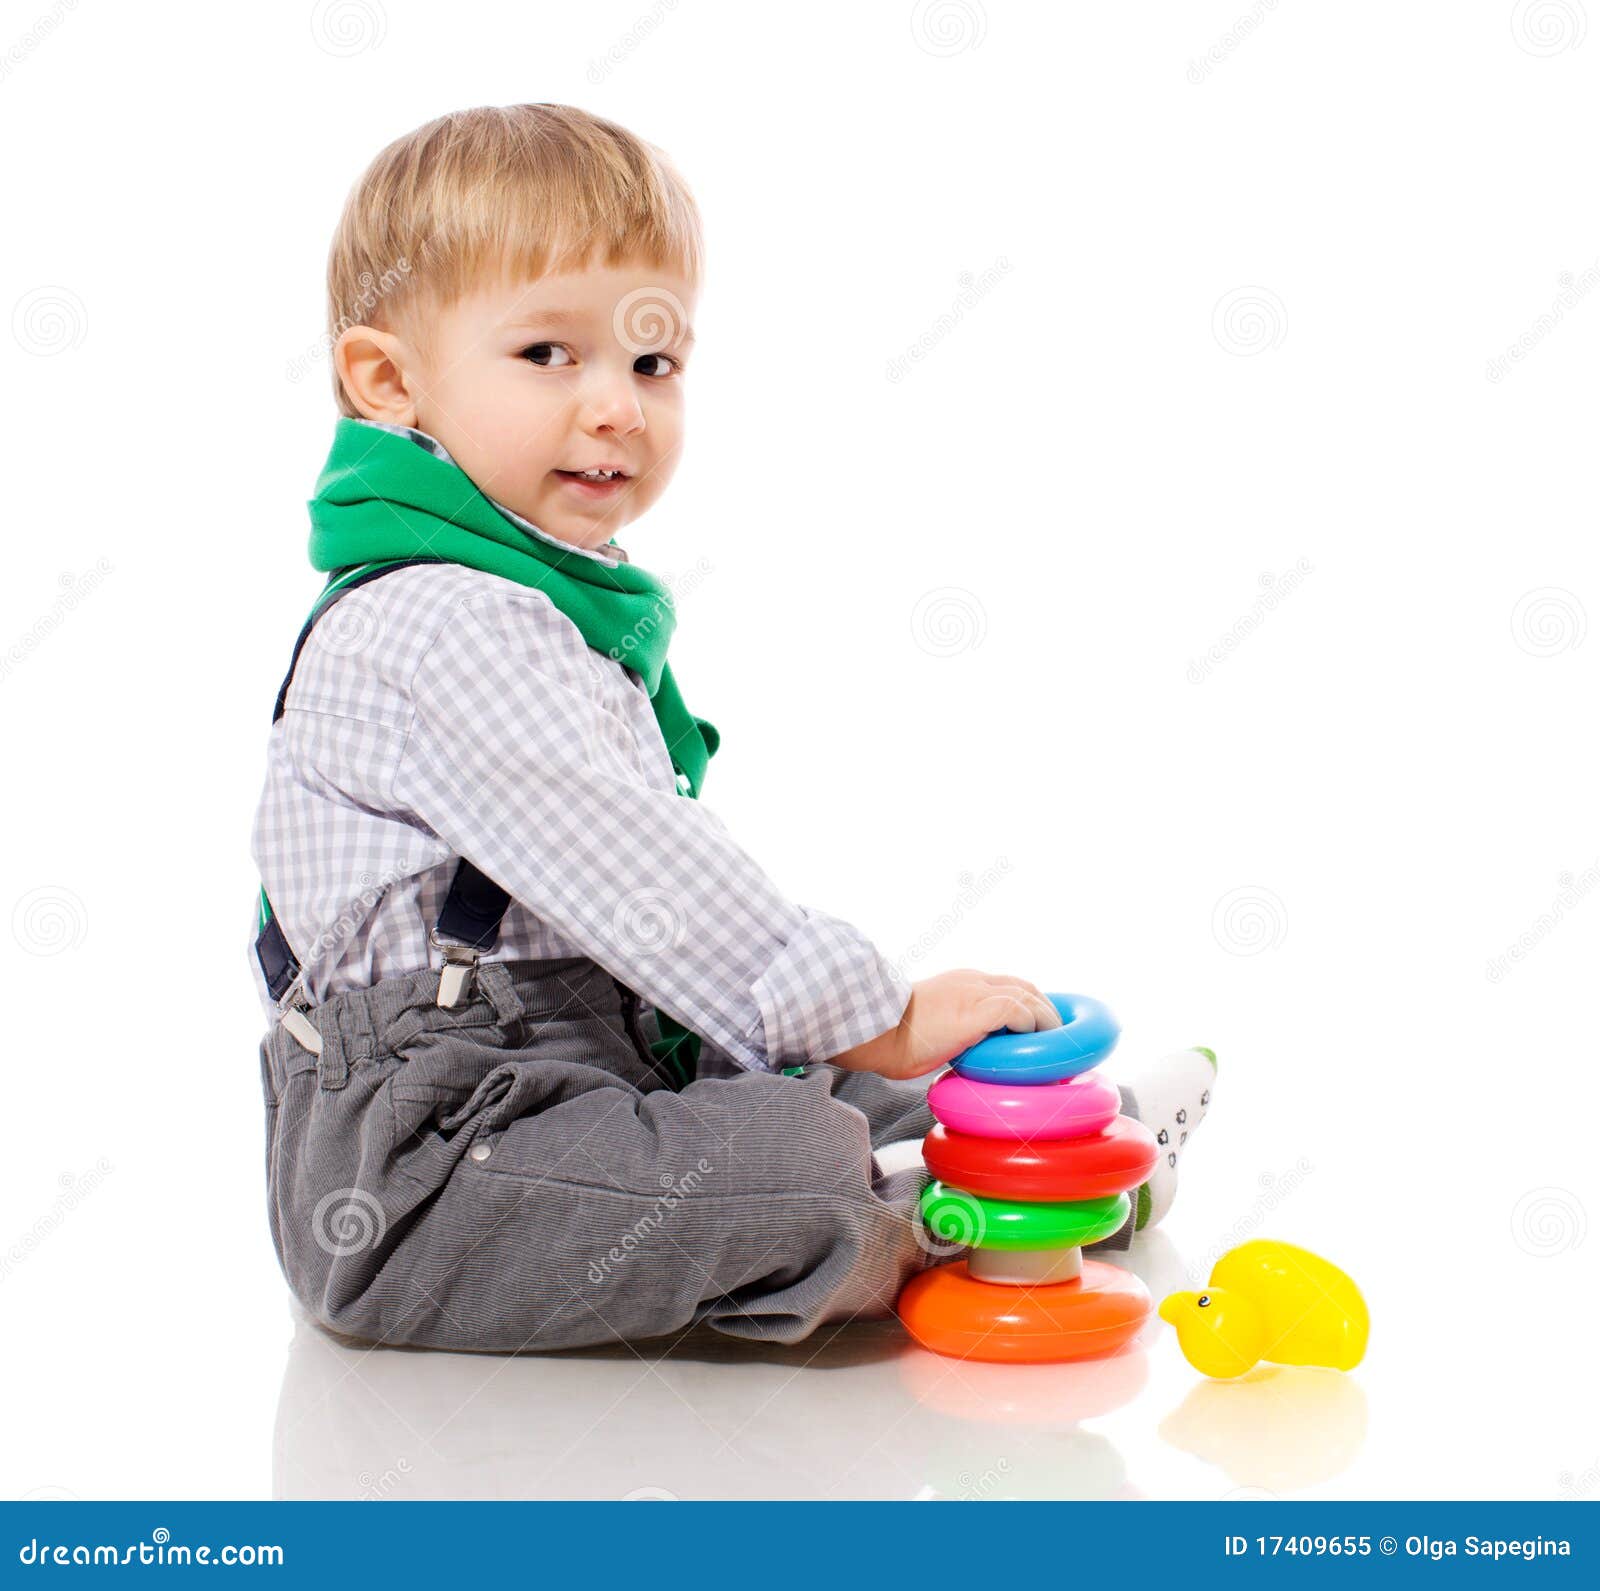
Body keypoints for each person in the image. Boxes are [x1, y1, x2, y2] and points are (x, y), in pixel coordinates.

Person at [247, 103, 1213, 1354]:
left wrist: (842, 1036)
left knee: (783, 1074)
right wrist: (872, 1004)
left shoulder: (532, 607)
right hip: (424, 1169)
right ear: (389, 382)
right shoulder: (441, 626)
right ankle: (991, 1212)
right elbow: (641, 867)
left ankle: (1044, 1136)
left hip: (564, 1059)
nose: (616, 406)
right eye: (548, 353)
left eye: (651, 364)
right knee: (787, 1157)